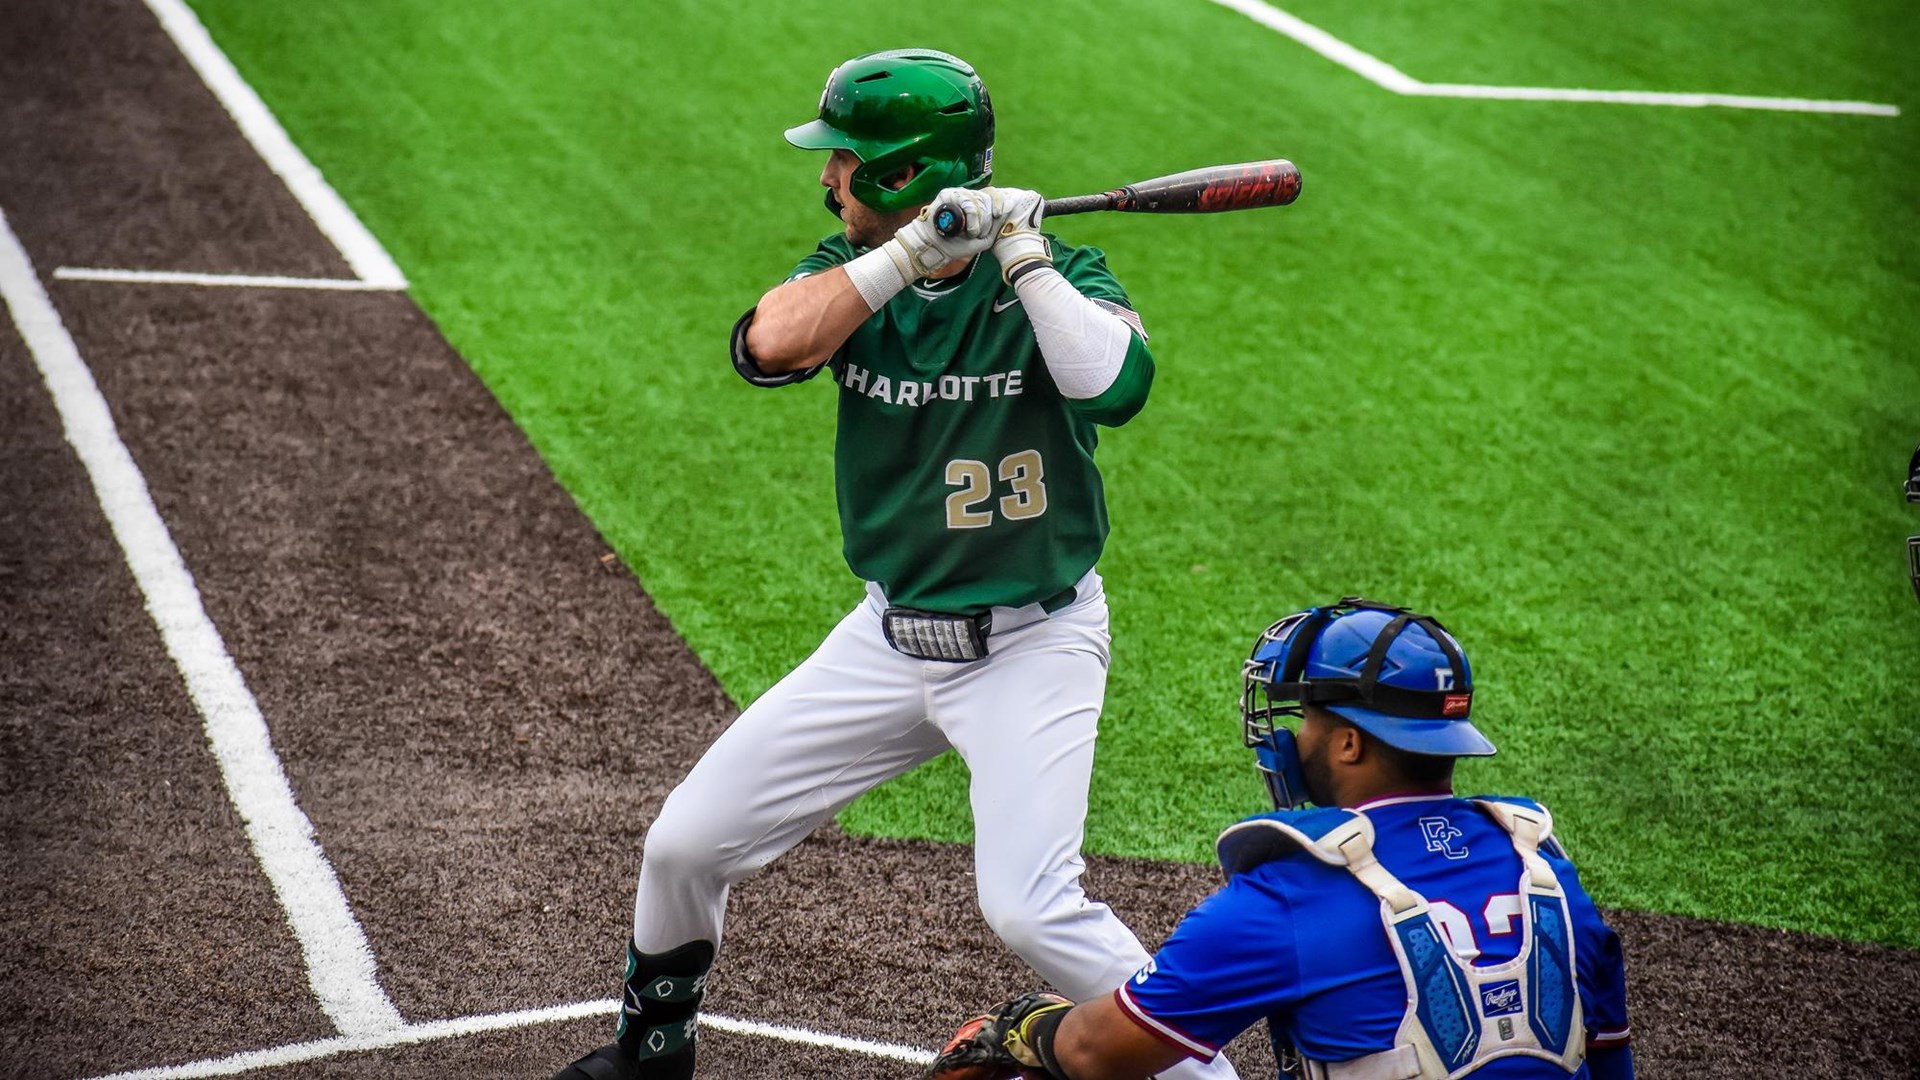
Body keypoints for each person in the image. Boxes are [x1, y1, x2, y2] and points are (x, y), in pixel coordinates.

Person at [551, 48, 1238, 1080]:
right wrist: (913, 252)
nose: (827, 178)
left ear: (907, 170)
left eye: (847, 161)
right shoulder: (846, 274)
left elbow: (1115, 388)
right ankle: (652, 1054)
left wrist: (1028, 259)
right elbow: (768, 348)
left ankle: (1203, 1075)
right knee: (685, 846)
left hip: (1030, 644)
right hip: (884, 640)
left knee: (1030, 904)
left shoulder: (1064, 277)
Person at [925, 598, 1635, 1080]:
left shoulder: (1290, 894)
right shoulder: (1545, 868)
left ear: (1350, 743)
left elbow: (1096, 1052)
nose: (1290, 735)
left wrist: (1026, 1027)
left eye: (1305, 716)